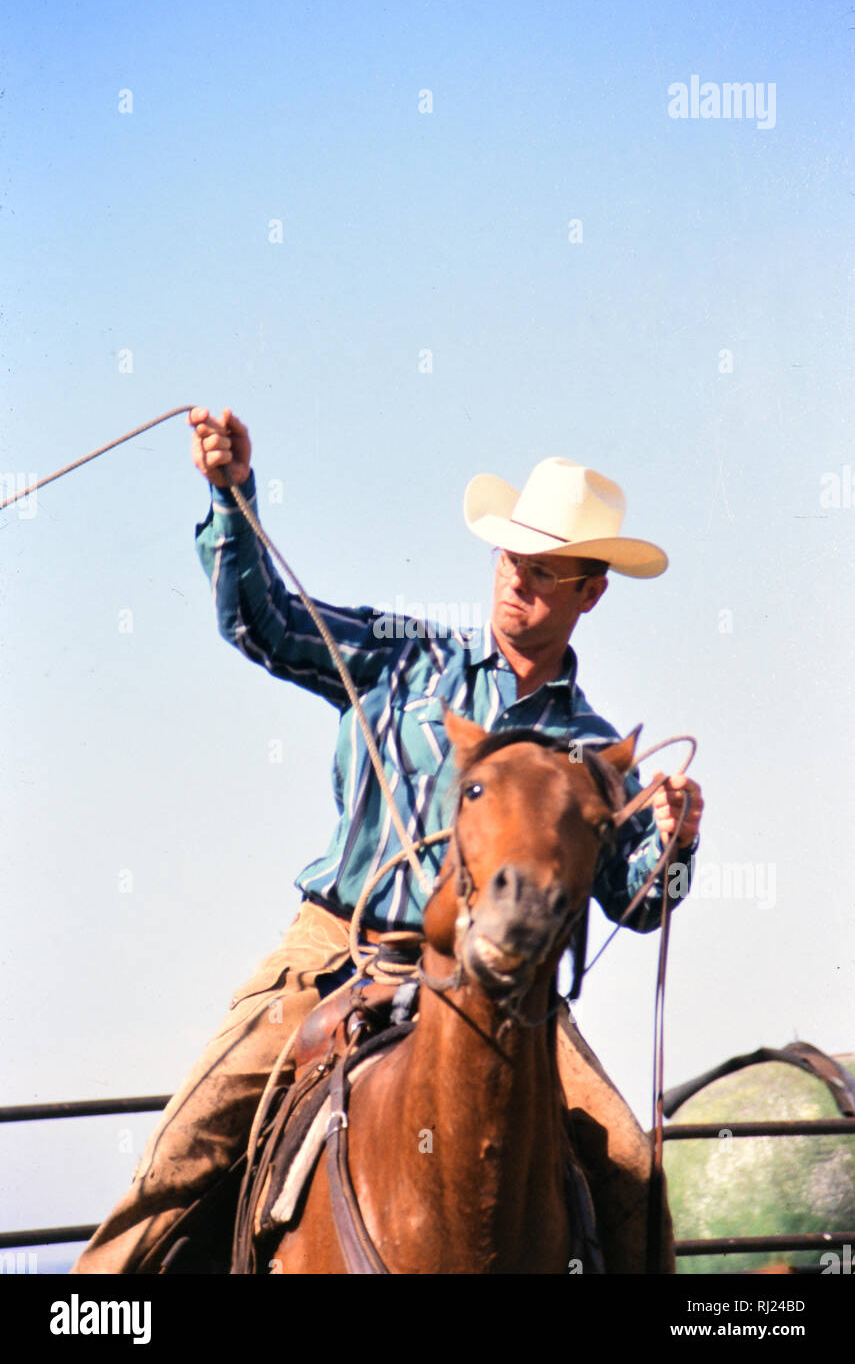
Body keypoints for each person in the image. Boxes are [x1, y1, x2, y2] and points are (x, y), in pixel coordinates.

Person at [72, 407, 703, 1275]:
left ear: (590, 590)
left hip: (509, 991)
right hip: (334, 953)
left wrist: (672, 842)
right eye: (510, 558)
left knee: (632, 1173)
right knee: (176, 1163)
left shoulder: (593, 754)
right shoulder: (401, 658)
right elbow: (263, 619)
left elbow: (638, 904)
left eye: (545, 570)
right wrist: (231, 495)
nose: (516, 581)